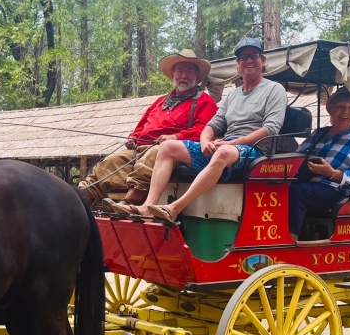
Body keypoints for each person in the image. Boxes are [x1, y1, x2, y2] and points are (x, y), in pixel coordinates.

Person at [114, 36, 287, 222]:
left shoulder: (274, 89)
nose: (249, 61)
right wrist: (205, 141)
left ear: (263, 60)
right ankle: (148, 206)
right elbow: (213, 124)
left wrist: (230, 143)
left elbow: (271, 128)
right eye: (244, 57)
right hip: (226, 147)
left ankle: (174, 207)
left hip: (256, 151)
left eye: (254, 56)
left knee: (223, 152)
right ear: (238, 64)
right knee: (167, 147)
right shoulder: (232, 95)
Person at [79, 49, 217, 208]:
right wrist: (133, 138)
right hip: (142, 147)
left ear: (196, 76)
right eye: (180, 71)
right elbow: (140, 129)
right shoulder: (160, 101)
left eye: (189, 71)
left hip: (172, 151)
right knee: (112, 160)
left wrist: (176, 137)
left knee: (154, 154)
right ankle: (83, 199)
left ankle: (131, 201)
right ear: (172, 74)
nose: (184, 76)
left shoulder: (204, 101)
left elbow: (205, 130)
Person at [287, 89, 350, 241]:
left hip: (336, 189)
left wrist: (332, 173)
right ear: (331, 110)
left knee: (296, 192)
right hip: (306, 182)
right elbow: (297, 157)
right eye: (340, 107)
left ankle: (289, 241)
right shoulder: (319, 133)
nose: (345, 112)